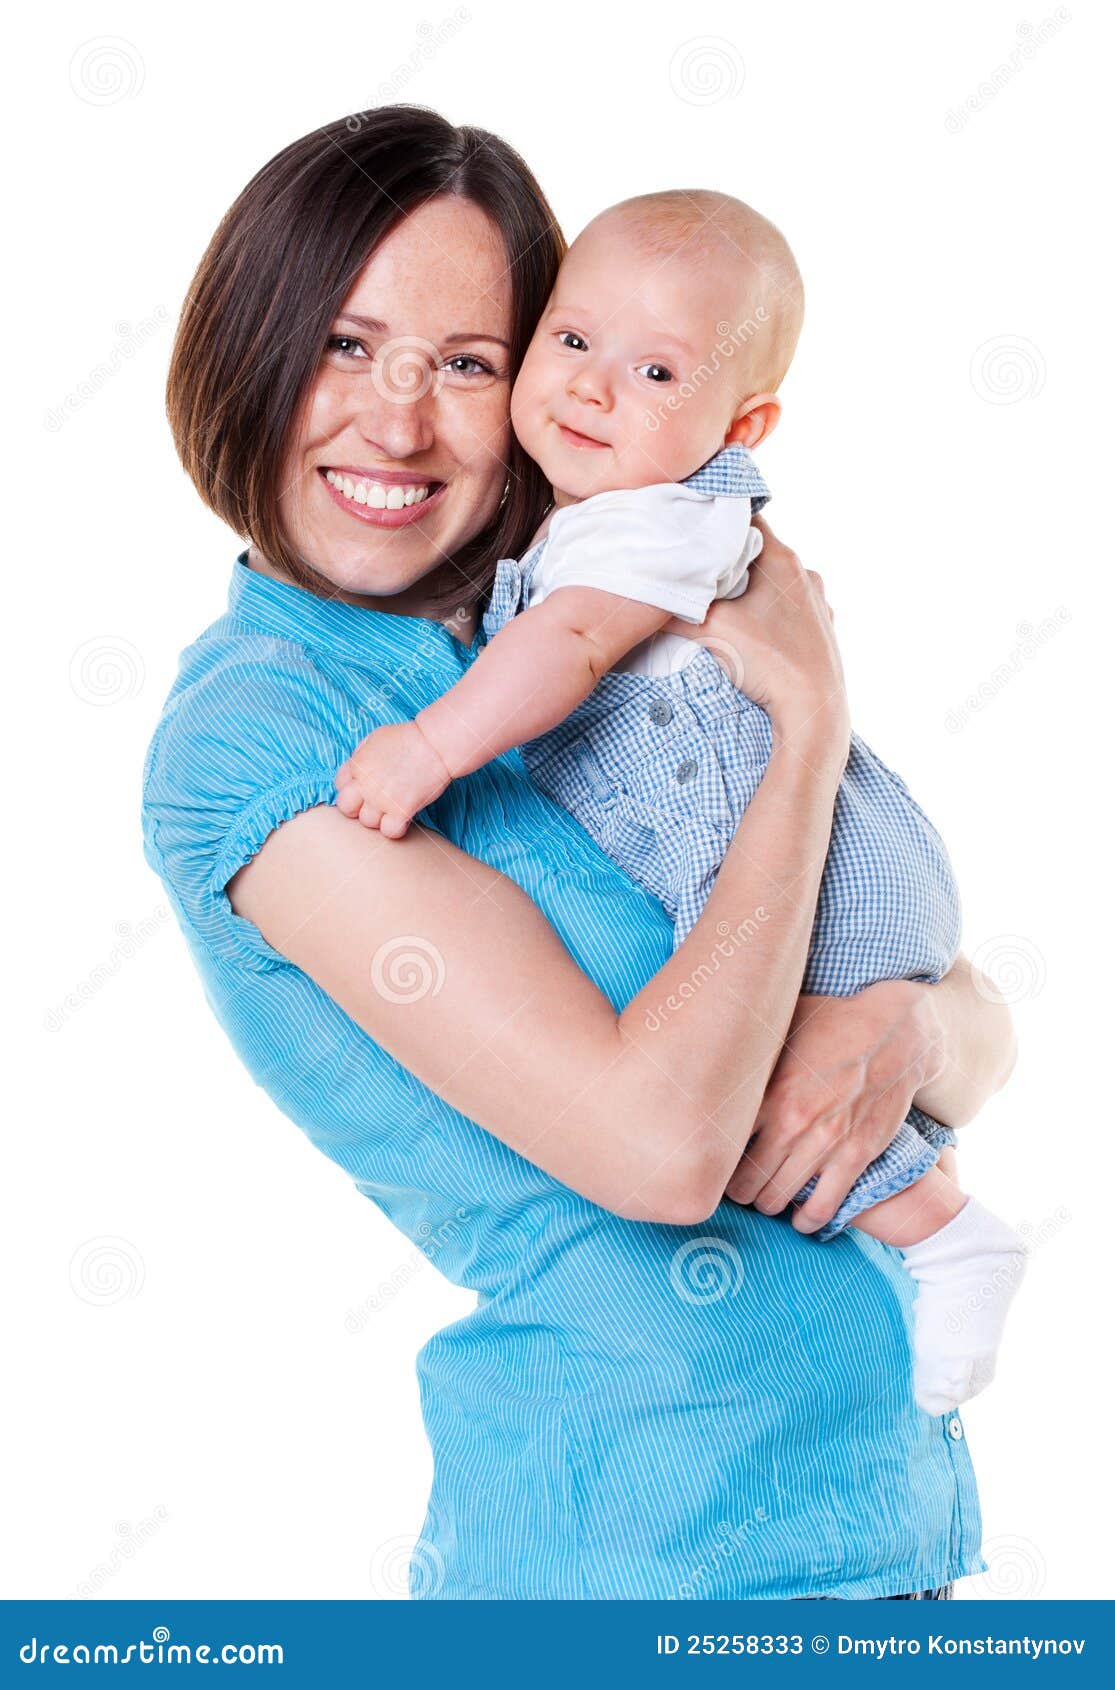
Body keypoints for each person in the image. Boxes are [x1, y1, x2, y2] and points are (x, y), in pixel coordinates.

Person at [142, 106, 1017, 1599]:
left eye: (467, 361)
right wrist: (804, 724)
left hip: (872, 1544)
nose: (399, 420)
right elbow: (662, 1147)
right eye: (344, 345)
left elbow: (953, 1008)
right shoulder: (264, 736)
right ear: (246, 350)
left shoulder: (569, 634)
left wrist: (909, 1018)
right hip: (638, 1563)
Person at [334, 190, 1027, 1418]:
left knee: (758, 1067)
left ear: (740, 421)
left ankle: (950, 1233)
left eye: (655, 368)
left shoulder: (651, 526)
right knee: (779, 1058)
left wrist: (431, 747)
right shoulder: (597, 515)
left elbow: (570, 649)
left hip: (800, 861)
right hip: (819, 838)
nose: (594, 388)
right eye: (572, 343)